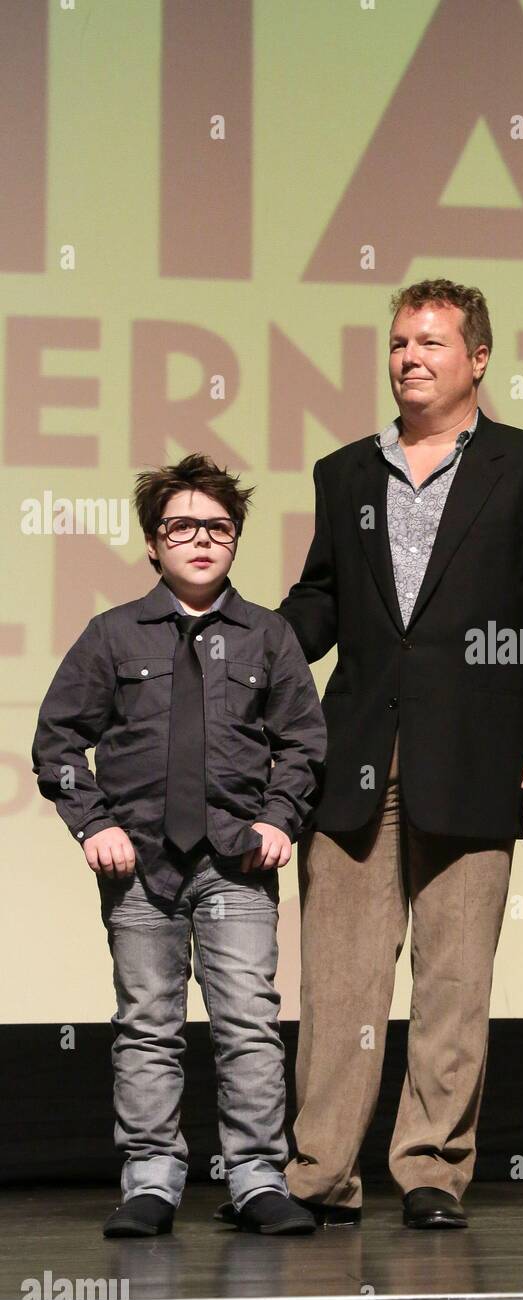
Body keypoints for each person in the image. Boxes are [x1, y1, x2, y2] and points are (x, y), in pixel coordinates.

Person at [277, 278, 523, 1229]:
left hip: (476, 753)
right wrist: (253, 645)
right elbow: (323, 599)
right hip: (354, 754)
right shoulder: (345, 472)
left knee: (454, 981)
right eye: (399, 343)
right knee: (340, 982)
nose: (410, 357)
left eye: (431, 342)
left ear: (479, 358)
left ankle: (430, 1170)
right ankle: (320, 1173)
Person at [31, 455, 327, 1237]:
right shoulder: (111, 634)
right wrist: (93, 824)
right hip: (139, 867)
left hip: (237, 865)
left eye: (218, 528)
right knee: (147, 1026)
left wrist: (280, 818)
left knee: (248, 1024)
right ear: (152, 543)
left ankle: (257, 1178)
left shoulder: (269, 636)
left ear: (236, 541)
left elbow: (304, 744)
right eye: (182, 527)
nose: (201, 540)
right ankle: (151, 1181)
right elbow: (57, 743)